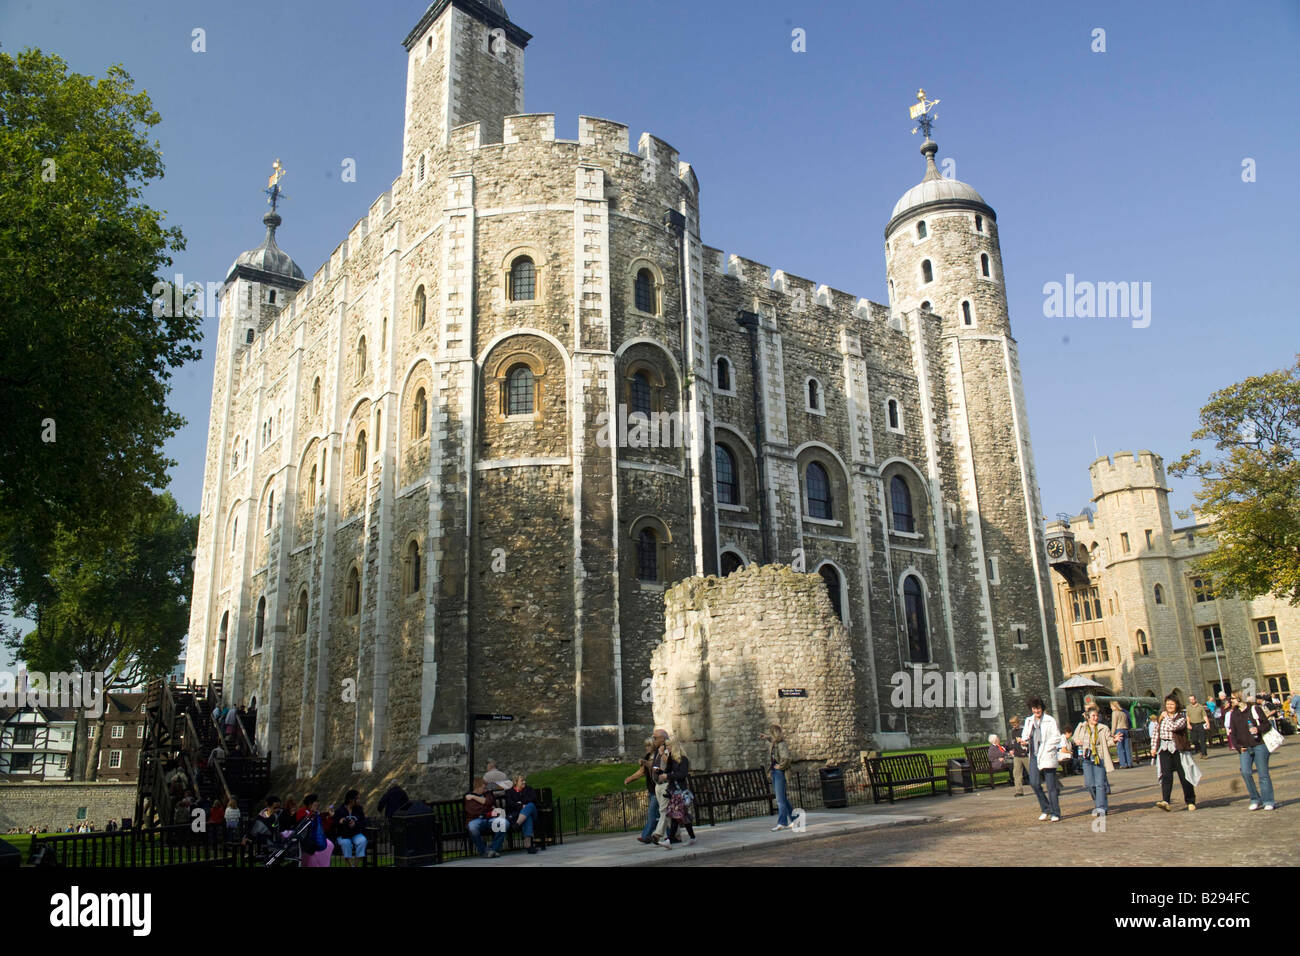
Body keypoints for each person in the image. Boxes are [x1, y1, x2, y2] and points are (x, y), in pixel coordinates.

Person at [1230, 692, 1277, 811]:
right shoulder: (1234, 714)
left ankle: (1268, 800)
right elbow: (1233, 733)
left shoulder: (1254, 709)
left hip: (1259, 745)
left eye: (1233, 698)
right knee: (1246, 772)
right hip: (1244, 747)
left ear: (1240, 699)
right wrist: (1238, 747)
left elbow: (1267, 725)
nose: (1231, 700)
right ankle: (1255, 798)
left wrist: (1258, 729)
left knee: (1263, 774)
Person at [1151, 694, 1197, 811]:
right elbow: (1156, 732)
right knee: (1166, 775)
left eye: (1172, 704)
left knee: (1184, 775)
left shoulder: (1181, 718)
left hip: (1178, 749)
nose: (1169, 706)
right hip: (1165, 748)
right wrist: (1153, 748)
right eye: (1167, 704)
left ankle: (1190, 801)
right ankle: (1166, 800)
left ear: (1176, 705)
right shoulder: (1161, 717)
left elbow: (1174, 727)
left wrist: (1165, 718)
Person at [1019, 697, 1062, 822]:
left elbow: (1056, 737)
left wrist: (1047, 747)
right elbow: (1025, 736)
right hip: (1034, 755)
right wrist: (1023, 742)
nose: (1036, 710)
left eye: (1038, 708)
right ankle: (1046, 808)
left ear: (1042, 708)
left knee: (1051, 786)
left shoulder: (1050, 720)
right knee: (1034, 783)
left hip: (1047, 755)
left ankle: (1055, 812)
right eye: (1034, 708)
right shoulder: (1029, 721)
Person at [1073, 705, 1115, 816]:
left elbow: (1109, 741)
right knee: (1089, 784)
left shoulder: (1103, 728)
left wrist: (1114, 740)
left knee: (1100, 784)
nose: (1095, 718)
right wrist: (1077, 741)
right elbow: (1074, 737)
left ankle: (1100, 807)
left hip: (1099, 757)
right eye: (1093, 716)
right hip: (1086, 758)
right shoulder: (1081, 727)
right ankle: (1100, 801)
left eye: (1097, 716)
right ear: (1088, 717)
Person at [650, 737, 691, 848]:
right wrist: (659, 771)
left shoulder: (683, 759)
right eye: (667, 745)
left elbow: (682, 774)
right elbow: (667, 770)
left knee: (672, 812)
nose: (667, 747)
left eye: (669, 745)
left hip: (679, 790)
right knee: (675, 814)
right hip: (672, 789)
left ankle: (662, 835)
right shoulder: (671, 759)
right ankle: (678, 836)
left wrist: (667, 775)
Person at [626, 735, 662, 844]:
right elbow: (642, 771)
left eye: (649, 745)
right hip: (651, 789)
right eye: (646, 746)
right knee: (661, 814)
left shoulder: (658, 755)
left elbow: (654, 767)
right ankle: (670, 834)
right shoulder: (647, 756)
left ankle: (646, 836)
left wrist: (645, 762)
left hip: (658, 788)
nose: (647, 748)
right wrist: (630, 779)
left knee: (652, 812)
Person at [758, 724, 793, 831]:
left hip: (779, 773)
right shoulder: (775, 743)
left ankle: (782, 823)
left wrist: (780, 766)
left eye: (771, 733)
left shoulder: (781, 744)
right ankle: (795, 819)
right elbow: (771, 740)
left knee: (779, 799)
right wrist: (766, 737)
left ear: (775, 734)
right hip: (774, 772)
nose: (770, 735)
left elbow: (786, 758)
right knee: (783, 798)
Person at [464, 780, 506, 858]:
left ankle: (494, 849)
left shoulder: (487, 793)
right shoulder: (468, 796)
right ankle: (484, 851)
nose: (485, 790)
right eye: (483, 788)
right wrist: (487, 807)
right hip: (476, 819)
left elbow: (491, 802)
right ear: (477, 788)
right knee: (472, 827)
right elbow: (473, 811)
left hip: (490, 818)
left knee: (504, 823)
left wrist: (474, 797)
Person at [502, 772, 542, 854]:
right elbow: (510, 804)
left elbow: (532, 800)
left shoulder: (529, 789)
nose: (524, 782)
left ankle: (517, 824)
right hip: (517, 816)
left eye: (524, 780)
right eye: (522, 780)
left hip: (533, 813)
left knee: (530, 805)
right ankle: (529, 846)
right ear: (516, 782)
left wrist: (521, 804)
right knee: (527, 817)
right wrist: (521, 806)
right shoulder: (510, 792)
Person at [298, 794, 334, 867]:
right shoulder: (302, 812)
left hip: (315, 839)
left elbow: (322, 828)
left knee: (330, 845)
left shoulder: (316, 814)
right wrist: (312, 814)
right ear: (310, 803)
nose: (318, 803)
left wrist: (330, 817)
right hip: (306, 841)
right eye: (316, 801)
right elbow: (303, 828)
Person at [334, 789, 368, 865]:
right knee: (346, 843)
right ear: (351, 800)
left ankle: (355, 865)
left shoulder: (359, 809)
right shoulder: (340, 810)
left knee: (362, 840)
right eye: (357, 798)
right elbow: (334, 823)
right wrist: (340, 821)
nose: (359, 800)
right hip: (344, 835)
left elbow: (364, 822)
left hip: (355, 833)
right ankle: (350, 864)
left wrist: (355, 823)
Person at [1007, 716, 1030, 796]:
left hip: (1025, 754)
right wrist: (1012, 749)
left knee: (1032, 771)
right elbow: (1013, 742)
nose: (1014, 726)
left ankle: (1038, 786)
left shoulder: (1023, 730)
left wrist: (1024, 742)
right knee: (1016, 773)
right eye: (1012, 724)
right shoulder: (1013, 732)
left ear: (1018, 722)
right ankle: (1019, 791)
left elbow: (1028, 740)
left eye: (1015, 724)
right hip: (1017, 754)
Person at [1109, 701, 1133, 768]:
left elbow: (1114, 724)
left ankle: (1123, 764)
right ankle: (1129, 763)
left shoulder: (1114, 713)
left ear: (1114, 706)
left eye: (1111, 706)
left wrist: (1112, 734)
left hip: (1119, 730)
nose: (1111, 708)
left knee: (1120, 748)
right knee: (1127, 748)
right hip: (1126, 730)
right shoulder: (1123, 713)